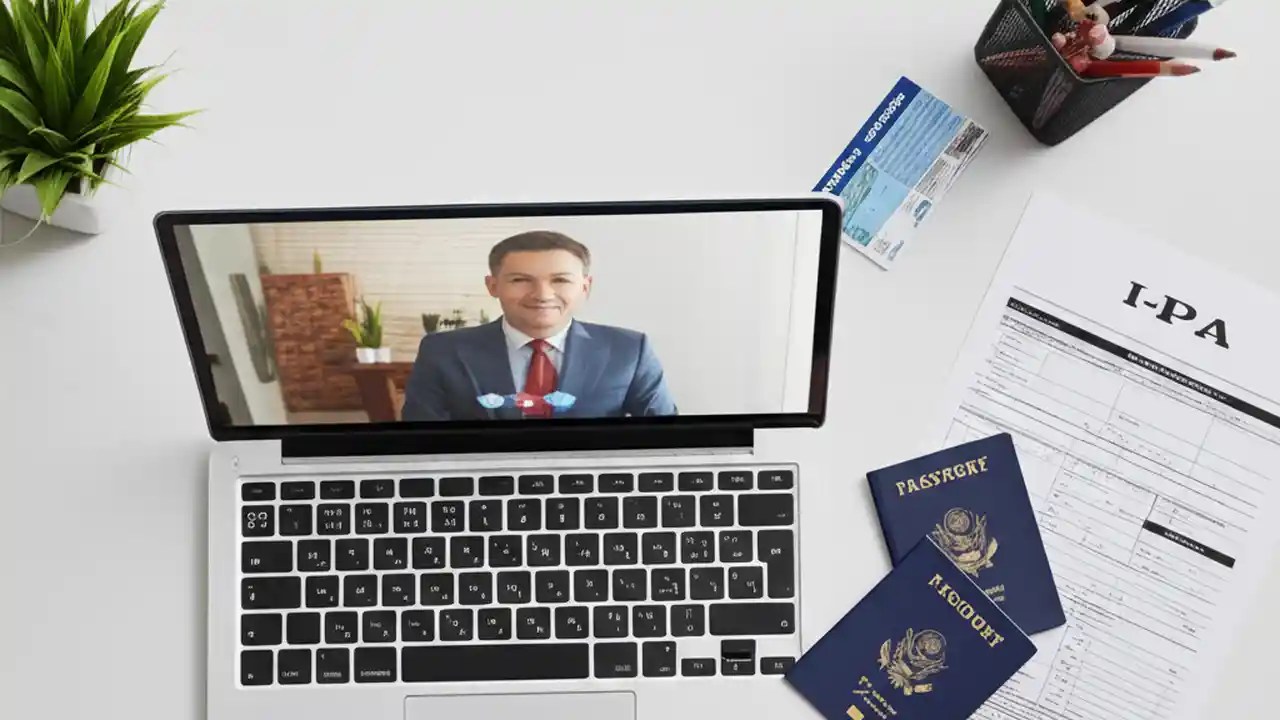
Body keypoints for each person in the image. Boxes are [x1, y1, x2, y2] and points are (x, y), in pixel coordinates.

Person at [402, 230, 677, 421]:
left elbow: (664, 435)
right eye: (520, 280)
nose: (543, 294)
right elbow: (419, 439)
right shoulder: (442, 350)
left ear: (585, 287)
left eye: (560, 280)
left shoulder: (629, 350)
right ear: (493, 285)